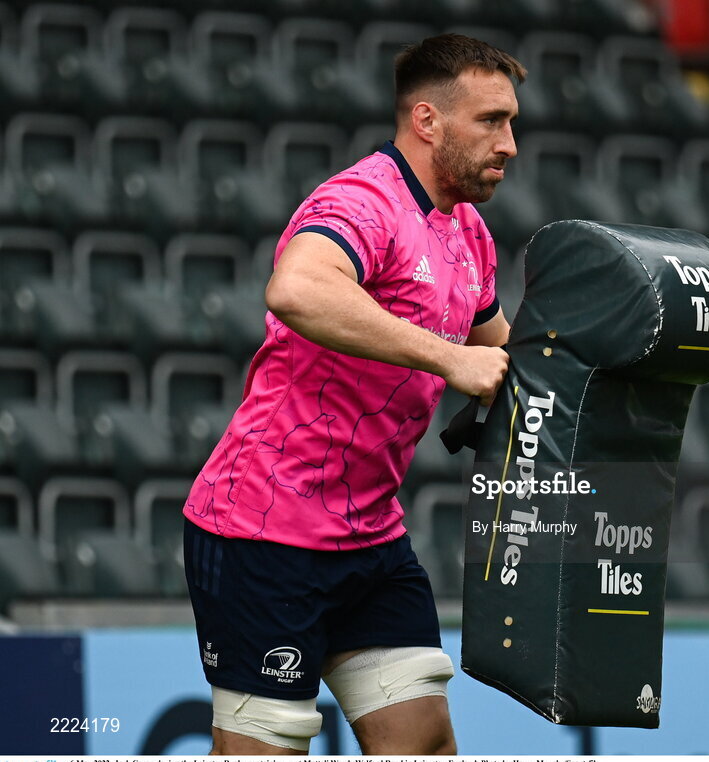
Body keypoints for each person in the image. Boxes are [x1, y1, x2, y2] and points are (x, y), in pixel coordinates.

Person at [181, 34, 526, 755]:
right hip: (263, 532)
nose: (509, 144)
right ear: (427, 120)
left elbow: (505, 357)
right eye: (491, 121)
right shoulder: (363, 200)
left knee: (423, 744)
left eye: (511, 122)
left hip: (370, 537)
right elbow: (296, 288)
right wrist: (449, 358)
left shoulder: (469, 232)